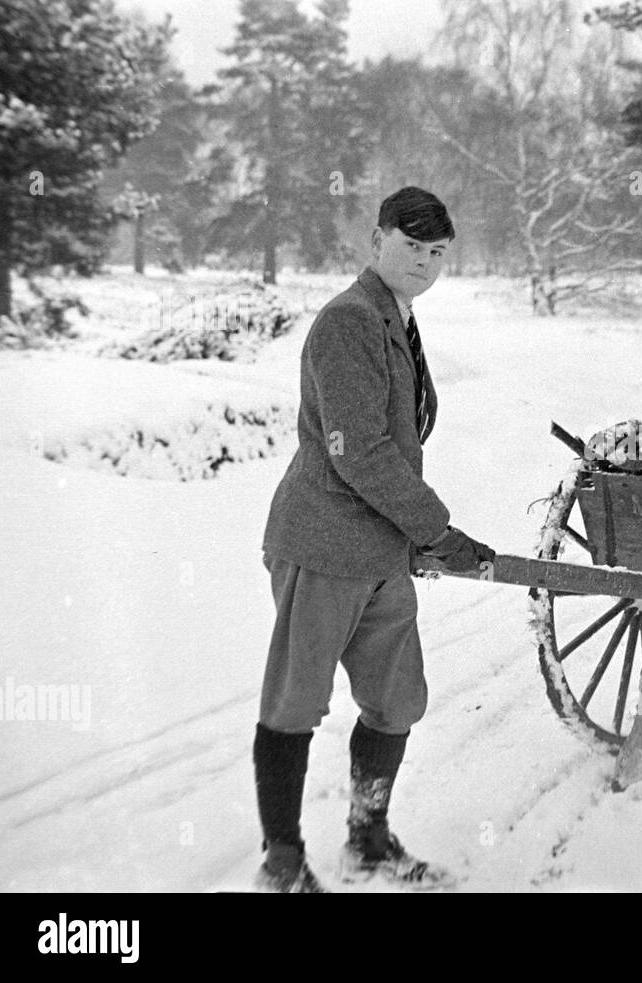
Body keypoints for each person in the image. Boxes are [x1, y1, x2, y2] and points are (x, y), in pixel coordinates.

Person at [254, 187, 495, 892]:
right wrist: (437, 530)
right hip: (325, 543)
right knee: (295, 701)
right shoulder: (348, 322)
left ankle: (367, 839)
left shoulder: (398, 318)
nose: (423, 262)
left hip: (384, 551)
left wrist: (417, 537)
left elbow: (394, 440)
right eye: (411, 246)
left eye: (437, 253)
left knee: (396, 701)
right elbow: (356, 449)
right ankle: (283, 863)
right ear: (376, 239)